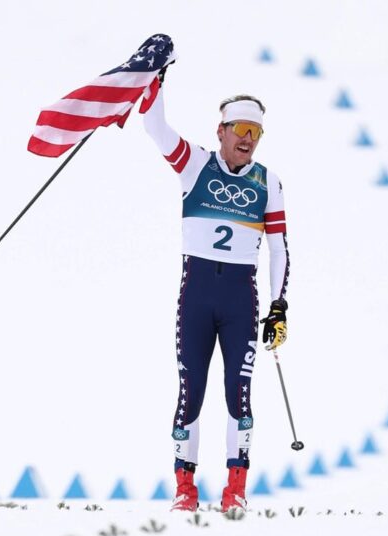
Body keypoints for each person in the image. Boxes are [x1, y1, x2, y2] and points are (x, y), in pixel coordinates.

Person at [142, 71, 290, 512]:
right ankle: (184, 489)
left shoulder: (269, 182)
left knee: (237, 395)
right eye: (241, 130)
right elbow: (155, 127)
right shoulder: (196, 164)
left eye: (256, 132)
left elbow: (280, 247)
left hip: (240, 299)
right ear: (221, 131)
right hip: (198, 293)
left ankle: (235, 488)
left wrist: (279, 306)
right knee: (191, 390)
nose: (248, 139)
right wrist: (157, 76)